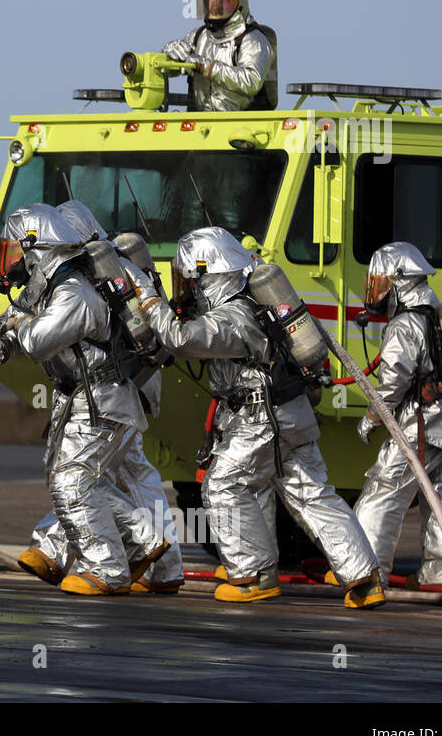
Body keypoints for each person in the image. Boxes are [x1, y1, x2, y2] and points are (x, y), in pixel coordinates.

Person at [138, 226, 385, 607]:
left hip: (261, 419)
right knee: (312, 493)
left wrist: (152, 305)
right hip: (291, 414)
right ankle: (364, 577)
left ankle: (250, 576)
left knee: (222, 486)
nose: (184, 287)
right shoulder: (252, 303)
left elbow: (182, 340)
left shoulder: (231, 316)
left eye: (188, 278)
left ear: (207, 275)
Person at [0, 204, 169, 595]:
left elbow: (37, 339)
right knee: (73, 478)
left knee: (74, 481)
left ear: (37, 251)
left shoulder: (74, 293)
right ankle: (143, 539)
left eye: (13, 251)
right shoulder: (50, 287)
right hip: (81, 396)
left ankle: (107, 569)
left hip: (104, 398)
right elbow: (21, 322)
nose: (8, 261)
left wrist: (15, 329)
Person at [349, 242, 442, 589]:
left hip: (418, 428)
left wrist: (370, 419)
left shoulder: (404, 326)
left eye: (381, 282)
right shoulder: (438, 315)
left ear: (400, 281)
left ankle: (363, 571)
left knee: (383, 491)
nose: (375, 291)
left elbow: (391, 385)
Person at [162, 0, 277, 112]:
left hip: (243, 123)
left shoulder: (253, 40)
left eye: (222, 3)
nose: (214, 10)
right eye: (209, 2)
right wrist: (169, 55)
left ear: (240, 1)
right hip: (200, 122)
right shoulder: (198, 36)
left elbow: (251, 82)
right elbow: (171, 70)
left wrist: (207, 67)